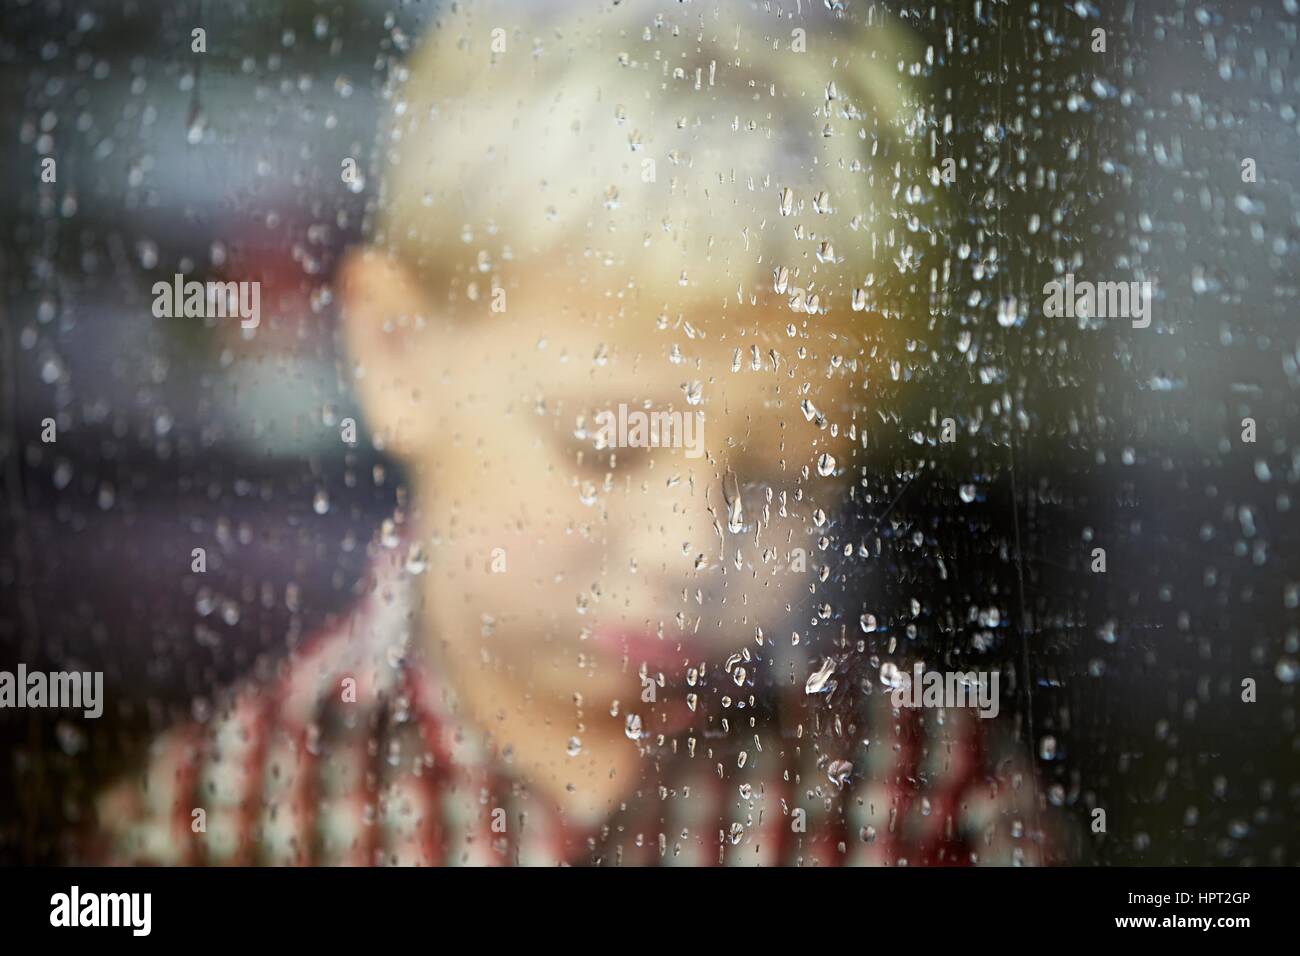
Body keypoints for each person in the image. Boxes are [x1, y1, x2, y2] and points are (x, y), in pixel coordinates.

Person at [87, 0, 1062, 866]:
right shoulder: (218, 822)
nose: (688, 544)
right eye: (606, 445)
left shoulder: (929, 801)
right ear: (395, 353)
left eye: (784, 473)